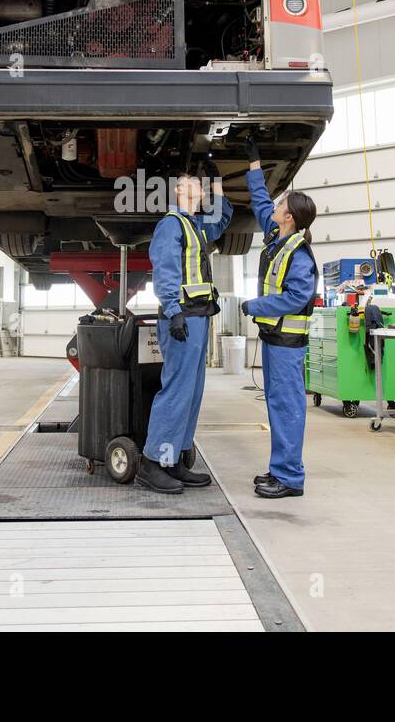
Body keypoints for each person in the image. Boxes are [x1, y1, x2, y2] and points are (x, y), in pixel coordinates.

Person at [136, 161, 233, 494]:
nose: (200, 188)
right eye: (193, 182)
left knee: (191, 394)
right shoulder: (171, 224)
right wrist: (174, 311)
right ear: (179, 190)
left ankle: (173, 459)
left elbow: (222, 219)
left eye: (202, 185)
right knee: (177, 391)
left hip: (199, 316)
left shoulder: (196, 225)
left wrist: (217, 182)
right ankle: (151, 464)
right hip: (182, 320)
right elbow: (164, 269)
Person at [240, 138, 317, 498]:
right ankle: (279, 469)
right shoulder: (276, 237)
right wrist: (254, 166)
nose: (276, 203)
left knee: (286, 409)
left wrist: (253, 306)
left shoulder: (299, 255)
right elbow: (259, 203)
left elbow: (295, 298)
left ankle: (290, 479)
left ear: (289, 216)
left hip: (287, 346)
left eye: (281, 202)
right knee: (277, 406)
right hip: (274, 341)